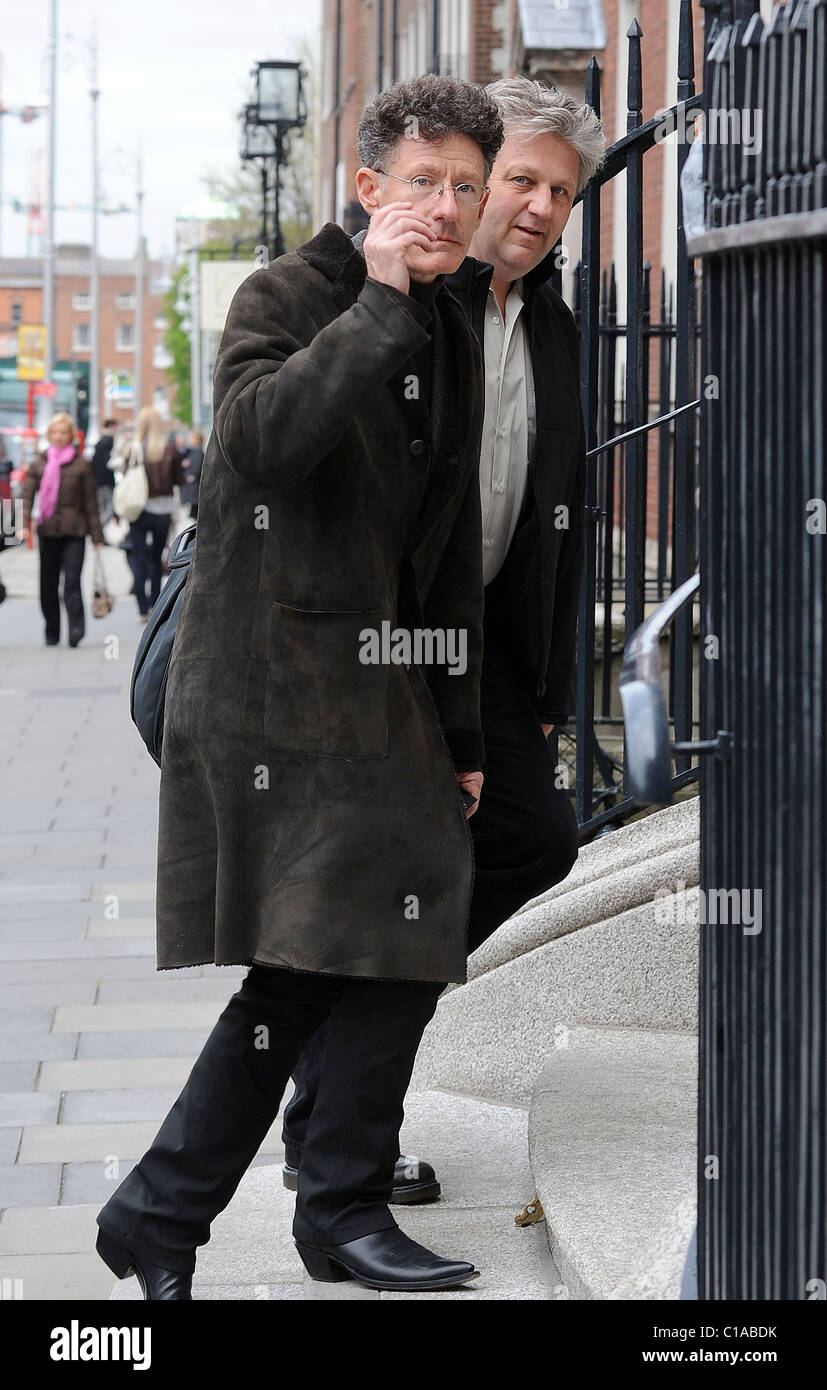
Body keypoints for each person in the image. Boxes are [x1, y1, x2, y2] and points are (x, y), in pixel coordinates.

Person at [94, 73, 504, 1299]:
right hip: (272, 693)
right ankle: (299, 1209)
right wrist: (376, 303)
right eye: (422, 182)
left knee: (376, 944)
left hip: (383, 692)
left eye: (465, 189)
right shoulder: (286, 295)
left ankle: (210, 1212)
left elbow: (444, 558)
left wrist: (461, 727)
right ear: (366, 185)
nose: (446, 207)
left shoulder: (453, 326)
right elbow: (263, 444)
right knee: (329, 952)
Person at [282, 77, 606, 1203]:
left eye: (559, 194)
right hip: (382, 641)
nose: (532, 207)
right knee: (394, 886)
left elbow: (560, 511)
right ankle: (341, 1136)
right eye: (515, 178)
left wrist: (550, 677)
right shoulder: (418, 293)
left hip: (482, 653)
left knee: (533, 837)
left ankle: (336, 1048)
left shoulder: (551, 323)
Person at [18, 411, 104, 646]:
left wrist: (98, 536)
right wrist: (21, 525)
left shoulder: (82, 464)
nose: (58, 436)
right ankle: (52, 629)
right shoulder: (39, 464)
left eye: (63, 432)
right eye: (54, 432)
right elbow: (25, 496)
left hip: (75, 531)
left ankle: (76, 628)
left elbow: (91, 502)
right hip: (47, 531)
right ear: (49, 435)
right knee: (47, 584)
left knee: (72, 583)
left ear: (71, 436)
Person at [124, 407, 184, 623]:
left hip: (138, 509)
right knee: (157, 557)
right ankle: (155, 604)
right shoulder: (169, 448)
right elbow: (179, 480)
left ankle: (142, 607)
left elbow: (124, 478)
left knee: (138, 557)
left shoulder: (134, 449)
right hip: (163, 510)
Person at [90, 418, 119, 532]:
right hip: (105, 481)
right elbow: (107, 464)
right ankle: (98, 530)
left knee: (102, 508)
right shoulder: (108, 442)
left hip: (99, 480)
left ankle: (100, 533)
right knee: (109, 508)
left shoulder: (100, 441)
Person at [179, 429, 204, 520]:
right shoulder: (193, 451)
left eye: (191, 438)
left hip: (194, 484)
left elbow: (197, 466)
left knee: (194, 510)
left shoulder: (198, 452)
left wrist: (193, 476)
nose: (189, 440)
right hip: (192, 485)